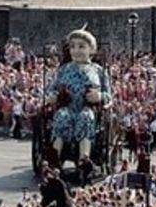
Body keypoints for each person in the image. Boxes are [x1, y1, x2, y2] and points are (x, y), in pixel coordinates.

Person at [46, 27, 111, 160]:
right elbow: (52, 89)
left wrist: (99, 96)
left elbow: (108, 94)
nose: (76, 51)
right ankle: (54, 156)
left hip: (88, 109)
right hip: (67, 107)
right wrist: (52, 96)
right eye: (73, 47)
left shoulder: (98, 71)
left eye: (81, 47)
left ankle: (84, 157)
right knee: (61, 116)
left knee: (86, 117)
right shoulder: (63, 70)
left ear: (91, 50)